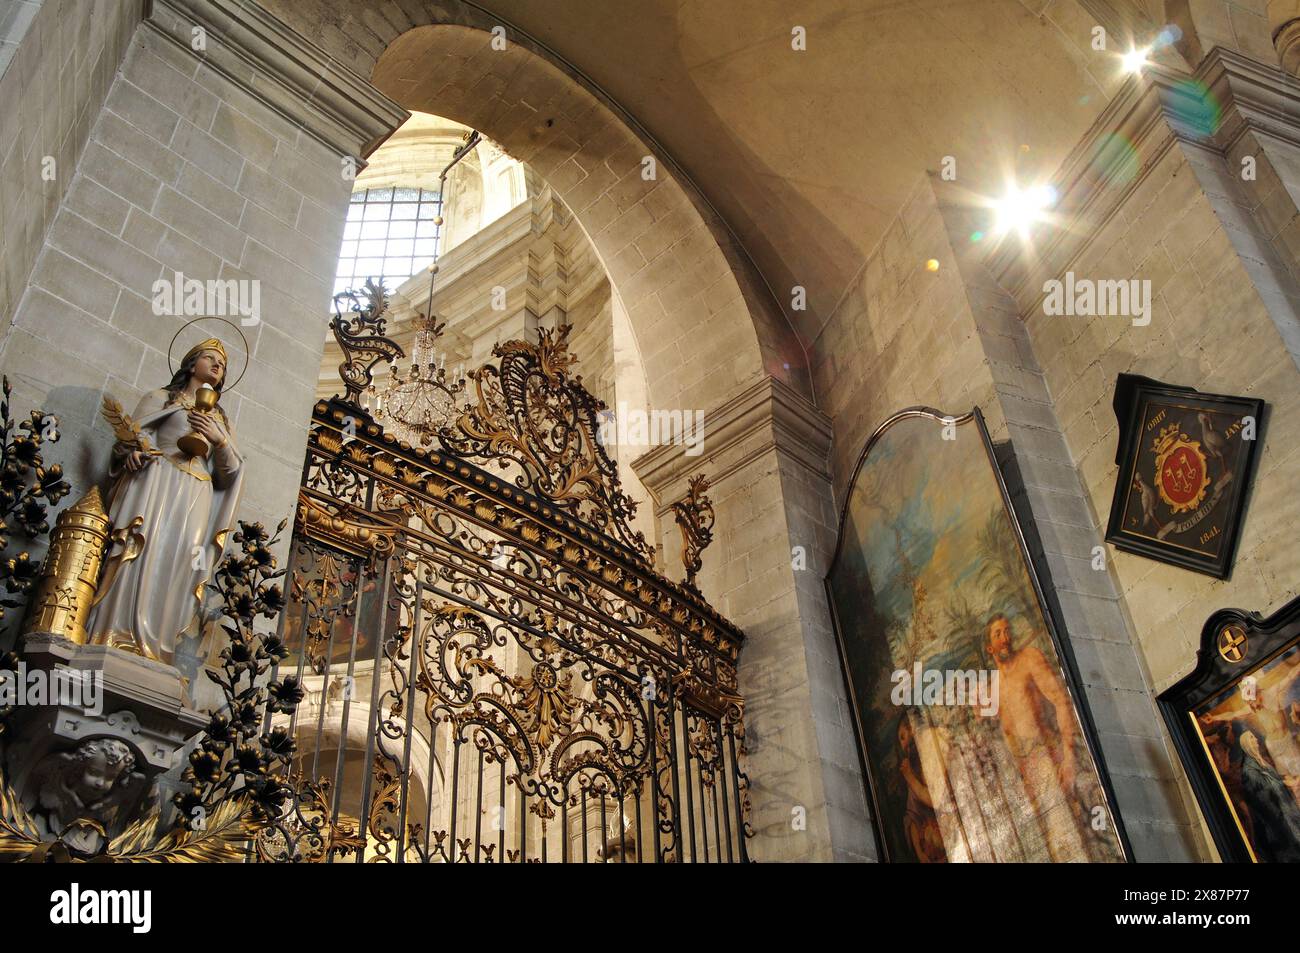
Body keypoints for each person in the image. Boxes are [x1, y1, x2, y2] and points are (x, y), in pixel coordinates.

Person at [85, 339, 244, 663]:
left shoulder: (222, 421)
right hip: (154, 482)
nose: (217, 366)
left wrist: (219, 440)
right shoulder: (159, 398)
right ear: (190, 364)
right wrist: (132, 455)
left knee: (181, 562)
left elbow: (229, 474)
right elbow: (129, 441)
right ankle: (111, 634)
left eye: (222, 365)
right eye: (210, 359)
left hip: (195, 493)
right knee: (140, 551)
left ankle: (157, 648)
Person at [983, 613, 1088, 861]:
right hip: (1021, 772)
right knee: (1039, 845)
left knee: (1065, 835)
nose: (1005, 638)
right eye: (997, 634)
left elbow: (1061, 701)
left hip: (1045, 755)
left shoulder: (1030, 659)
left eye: (1007, 631)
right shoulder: (993, 687)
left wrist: (1069, 756)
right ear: (989, 647)